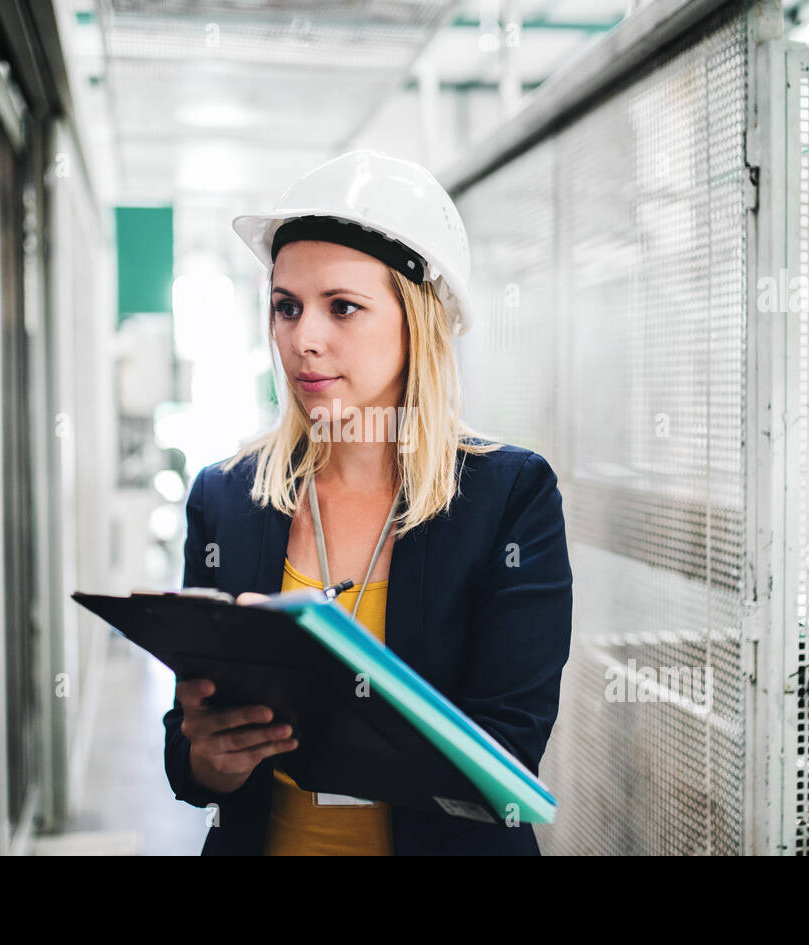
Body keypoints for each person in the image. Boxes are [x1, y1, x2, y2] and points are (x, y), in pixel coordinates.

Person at [162, 149, 573, 855]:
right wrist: (209, 757)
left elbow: (506, 758)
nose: (303, 339)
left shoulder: (508, 498)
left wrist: (336, 686)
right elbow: (188, 748)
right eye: (286, 307)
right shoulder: (226, 497)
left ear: (418, 321)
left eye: (342, 307)